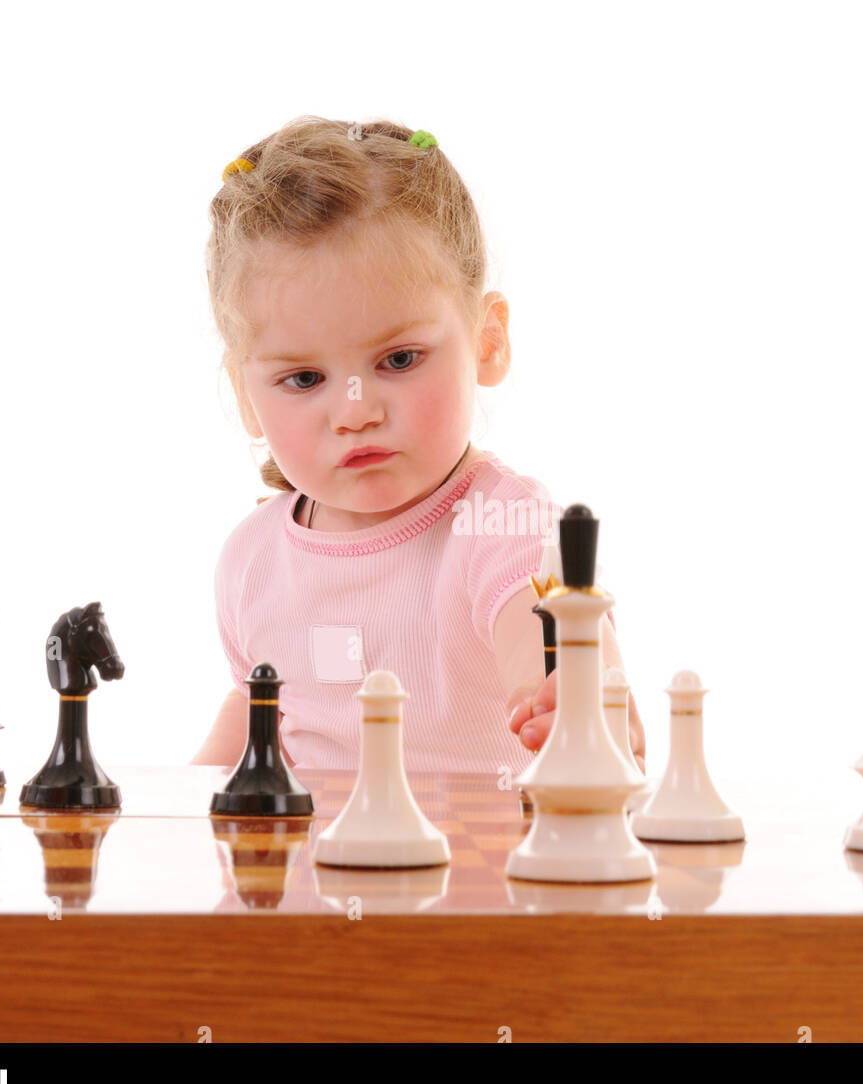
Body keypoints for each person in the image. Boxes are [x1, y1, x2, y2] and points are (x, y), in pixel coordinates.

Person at [192, 115, 643, 771]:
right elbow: (255, 711)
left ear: (487, 341)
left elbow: (545, 631)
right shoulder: (250, 560)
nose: (356, 412)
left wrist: (573, 690)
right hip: (315, 875)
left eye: (399, 361)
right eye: (306, 378)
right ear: (244, 393)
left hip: (475, 872)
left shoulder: (502, 524)